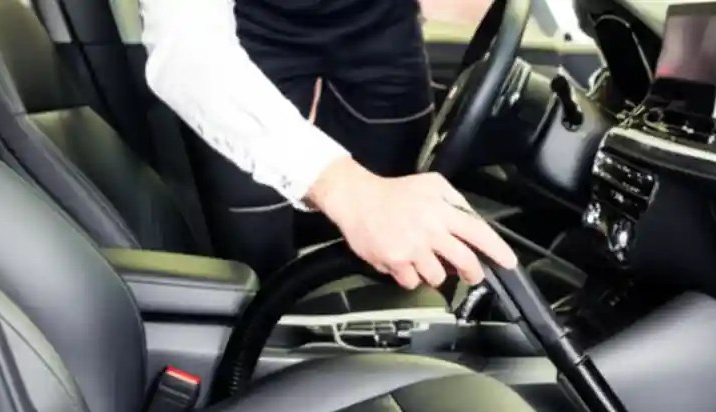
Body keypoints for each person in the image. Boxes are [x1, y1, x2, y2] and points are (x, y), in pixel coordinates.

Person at [139, 0, 516, 290]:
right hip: (248, 34)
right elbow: (185, 48)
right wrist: (344, 187)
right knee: (258, 256)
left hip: (380, 28)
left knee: (407, 254)